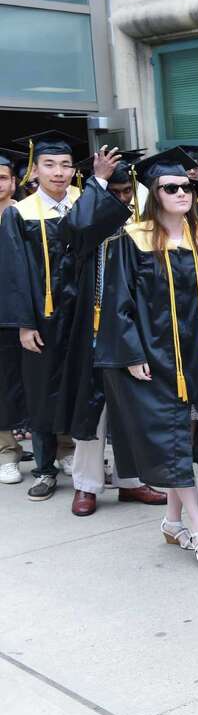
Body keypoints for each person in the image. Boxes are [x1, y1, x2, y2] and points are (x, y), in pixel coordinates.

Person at [95, 148, 198, 562]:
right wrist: (131, 353)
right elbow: (118, 303)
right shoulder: (131, 239)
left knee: (180, 439)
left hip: (195, 357)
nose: (181, 193)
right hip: (151, 359)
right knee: (170, 439)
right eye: (170, 187)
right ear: (153, 194)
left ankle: (173, 523)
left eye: (186, 186)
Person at [0, 132, 127, 502]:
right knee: (41, 390)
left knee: (83, 387)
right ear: (34, 171)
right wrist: (24, 323)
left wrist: (99, 183)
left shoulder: (86, 203)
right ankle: (43, 468)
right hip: (43, 317)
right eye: (50, 165)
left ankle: (78, 456)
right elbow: (13, 274)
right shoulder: (20, 213)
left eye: (66, 165)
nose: (59, 172)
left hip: (86, 314)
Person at [57, 148, 166, 516]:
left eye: (126, 191)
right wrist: (98, 181)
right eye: (114, 191)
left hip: (135, 331)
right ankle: (86, 486)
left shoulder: (142, 227)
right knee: (93, 408)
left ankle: (131, 481)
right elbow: (74, 227)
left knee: (130, 408)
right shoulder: (88, 225)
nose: (122, 198)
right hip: (95, 330)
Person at [0, 148, 28, 485]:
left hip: (27, 312)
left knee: (44, 380)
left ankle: (62, 449)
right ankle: (7, 452)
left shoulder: (26, 214)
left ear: (13, 181)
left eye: (2, 178)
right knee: (2, 387)